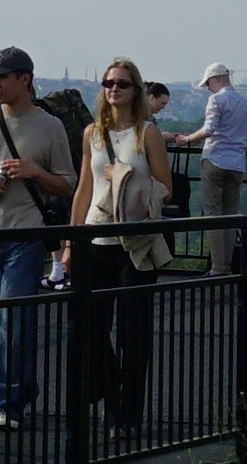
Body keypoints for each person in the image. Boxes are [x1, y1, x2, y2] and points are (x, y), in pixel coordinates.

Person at [0, 46, 76, 418]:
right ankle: (21, 388)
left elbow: (69, 184)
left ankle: (8, 403)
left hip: (25, 235)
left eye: (1, 77)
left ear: (25, 78)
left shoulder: (50, 126)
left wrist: (34, 172)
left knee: (13, 319)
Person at [71, 61, 182, 433]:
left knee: (133, 333)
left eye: (121, 83)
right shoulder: (92, 134)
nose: (113, 89)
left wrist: (126, 180)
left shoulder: (146, 134)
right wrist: (72, 242)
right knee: (92, 328)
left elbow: (166, 189)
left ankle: (127, 412)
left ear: (136, 90)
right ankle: (109, 389)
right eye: (108, 83)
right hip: (96, 237)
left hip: (134, 241)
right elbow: (84, 188)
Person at [195, 61, 247, 227]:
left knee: (212, 215)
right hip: (237, 163)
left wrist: (187, 140)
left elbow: (209, 129)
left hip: (215, 159)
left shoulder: (216, 99)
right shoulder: (245, 102)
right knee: (230, 216)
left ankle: (218, 254)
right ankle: (228, 253)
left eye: (208, 83)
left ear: (217, 79)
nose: (208, 87)